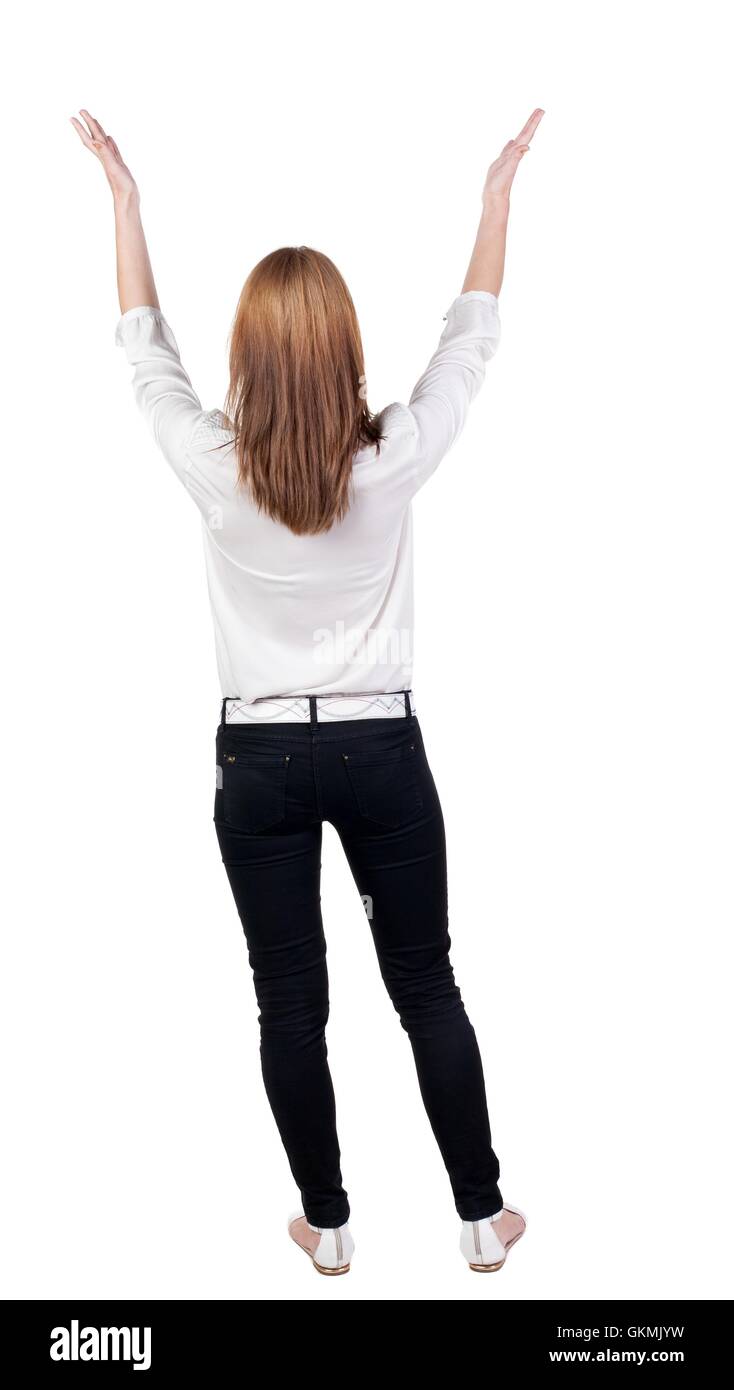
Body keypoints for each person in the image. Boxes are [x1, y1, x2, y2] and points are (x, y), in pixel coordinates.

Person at [72, 105, 543, 1276]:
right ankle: (481, 1217)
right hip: (383, 754)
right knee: (424, 982)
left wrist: (125, 205)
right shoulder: (389, 464)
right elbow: (468, 342)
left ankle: (326, 1227)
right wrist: (494, 203)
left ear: (248, 355)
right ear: (341, 347)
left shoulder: (215, 470)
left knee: (290, 1002)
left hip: (258, 765)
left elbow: (144, 349)